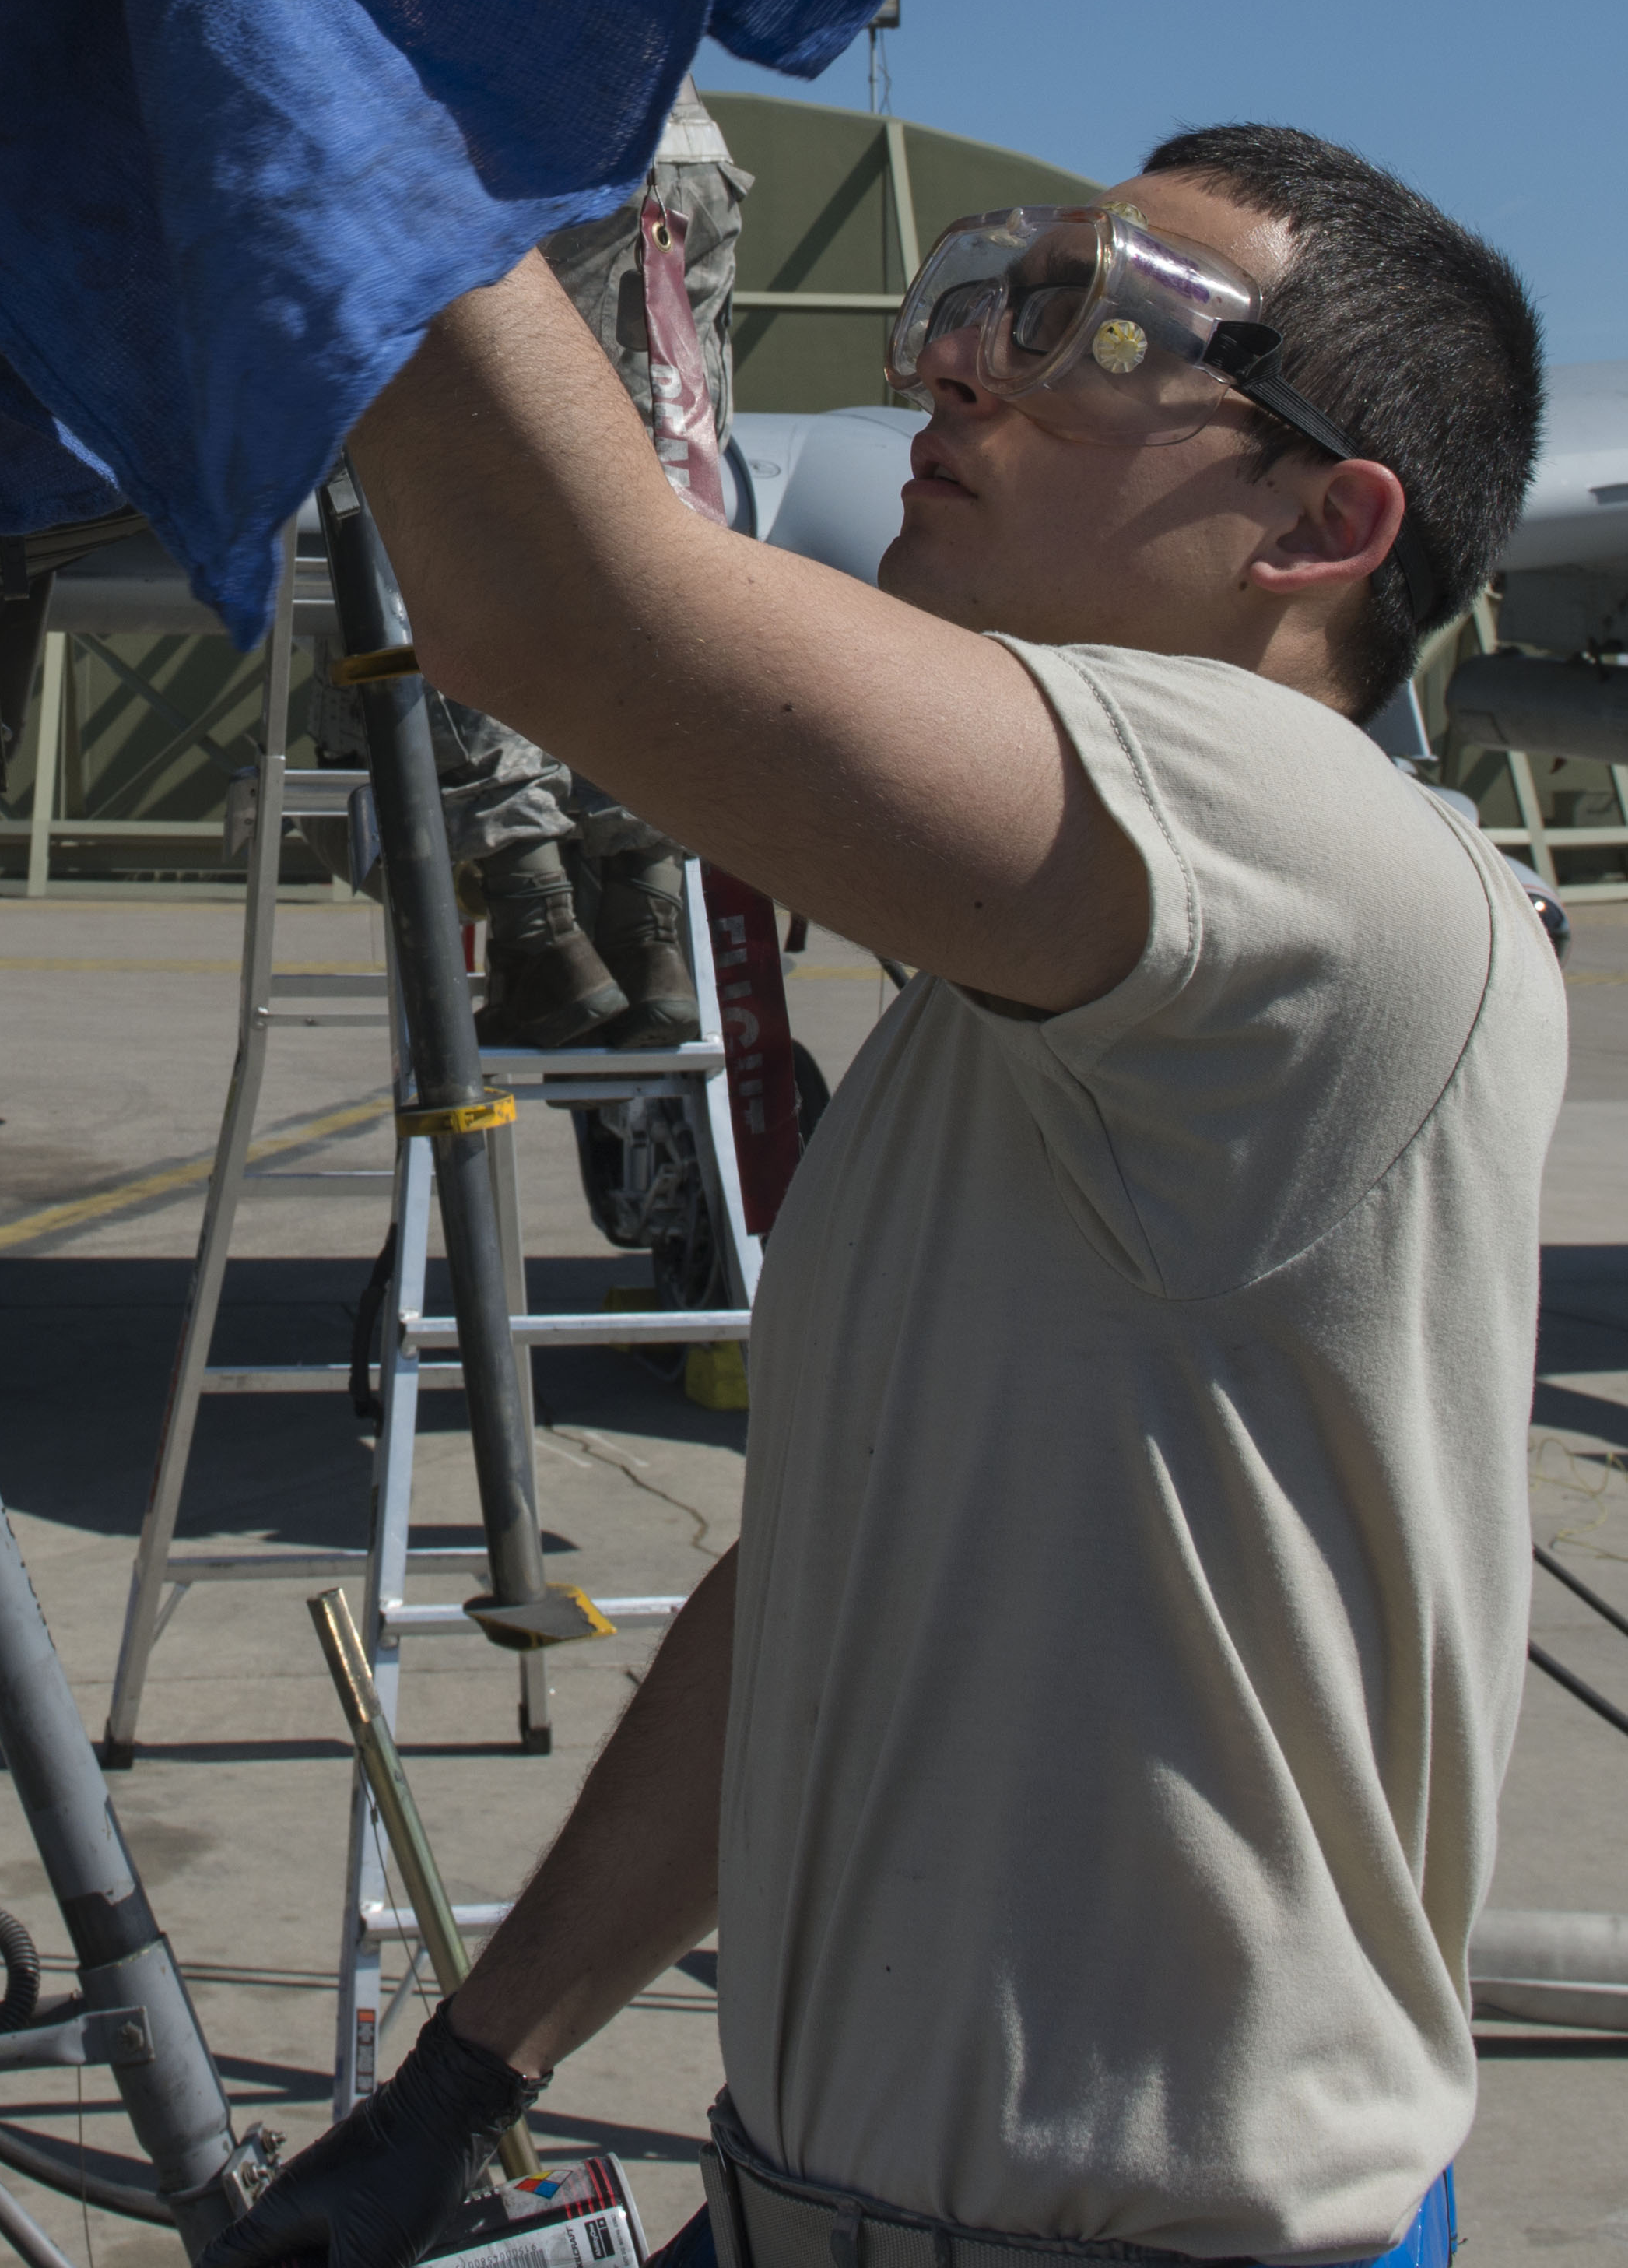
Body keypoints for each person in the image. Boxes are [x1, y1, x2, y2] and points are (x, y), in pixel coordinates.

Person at [206, 125, 1560, 2268]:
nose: (957, 360)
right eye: (990, 291)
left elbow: (564, 608)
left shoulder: (1316, 842)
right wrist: (472, 2070)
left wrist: (350, 96)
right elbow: (826, 1587)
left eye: (1090, 321)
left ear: (1324, 523)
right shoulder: (1039, 1020)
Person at [310, 78, 753, 1055]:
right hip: (675, 148)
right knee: (647, 528)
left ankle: (535, 920)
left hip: (484, 128)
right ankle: (644, 924)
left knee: (455, 514)